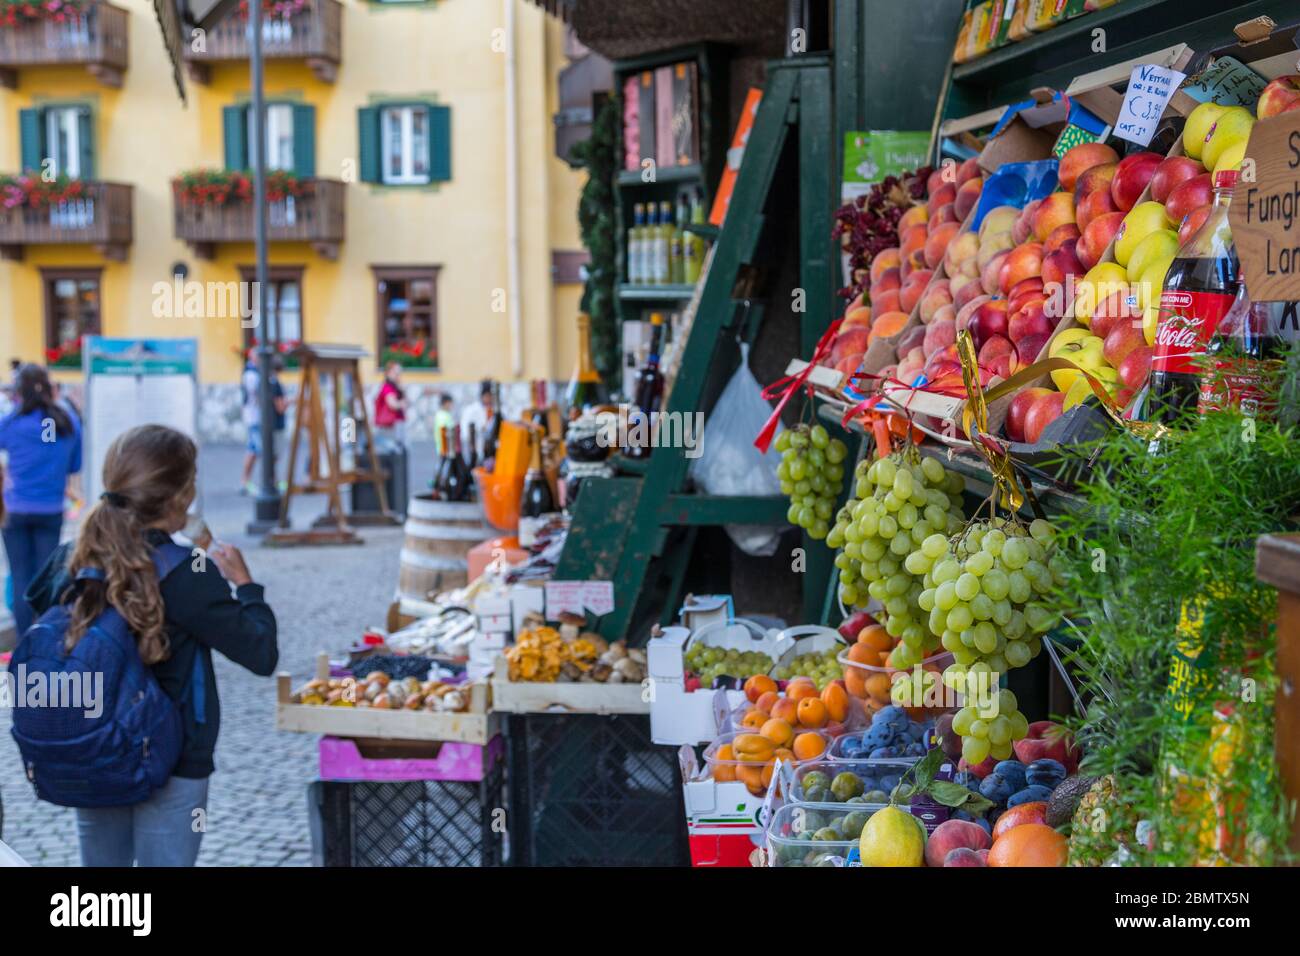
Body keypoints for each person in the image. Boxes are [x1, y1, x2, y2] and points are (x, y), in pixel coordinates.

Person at [25, 424, 278, 867]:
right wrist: (245, 584)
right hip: (175, 759)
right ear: (181, 495)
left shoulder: (69, 559)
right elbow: (260, 653)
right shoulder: (189, 572)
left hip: (90, 747)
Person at [0, 365, 82, 637]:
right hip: (51, 509)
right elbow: (74, 465)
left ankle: (26, 641)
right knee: (46, 576)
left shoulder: (11, 423)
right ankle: (46, 635)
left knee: (20, 575)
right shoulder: (67, 422)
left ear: (19, 392)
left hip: (15, 510)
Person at [239, 353, 288, 495]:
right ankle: (265, 482)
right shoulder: (253, 375)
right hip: (257, 419)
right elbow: (262, 399)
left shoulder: (258, 375)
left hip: (258, 419)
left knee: (255, 451)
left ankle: (262, 482)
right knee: (263, 452)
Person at [459, 380, 497, 462]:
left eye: (491, 396)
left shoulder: (495, 411)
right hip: (475, 449)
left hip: (491, 451)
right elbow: (465, 432)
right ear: (482, 396)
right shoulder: (472, 410)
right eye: (487, 396)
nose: (490, 399)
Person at [373, 361, 408, 446]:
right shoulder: (388, 387)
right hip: (391, 425)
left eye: (399, 373)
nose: (398, 375)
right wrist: (402, 403)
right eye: (396, 372)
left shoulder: (395, 386)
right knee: (395, 448)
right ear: (389, 372)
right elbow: (392, 404)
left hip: (395, 423)